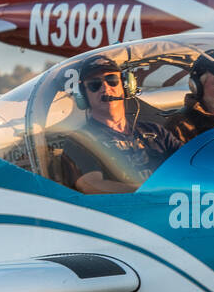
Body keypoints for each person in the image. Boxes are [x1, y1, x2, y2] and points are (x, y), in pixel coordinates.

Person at [54, 54, 173, 193]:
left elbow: (189, 163)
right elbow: (90, 184)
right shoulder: (81, 140)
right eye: (95, 85)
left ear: (125, 86)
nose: (105, 88)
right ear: (83, 95)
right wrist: (148, 193)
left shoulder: (156, 131)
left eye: (112, 80)